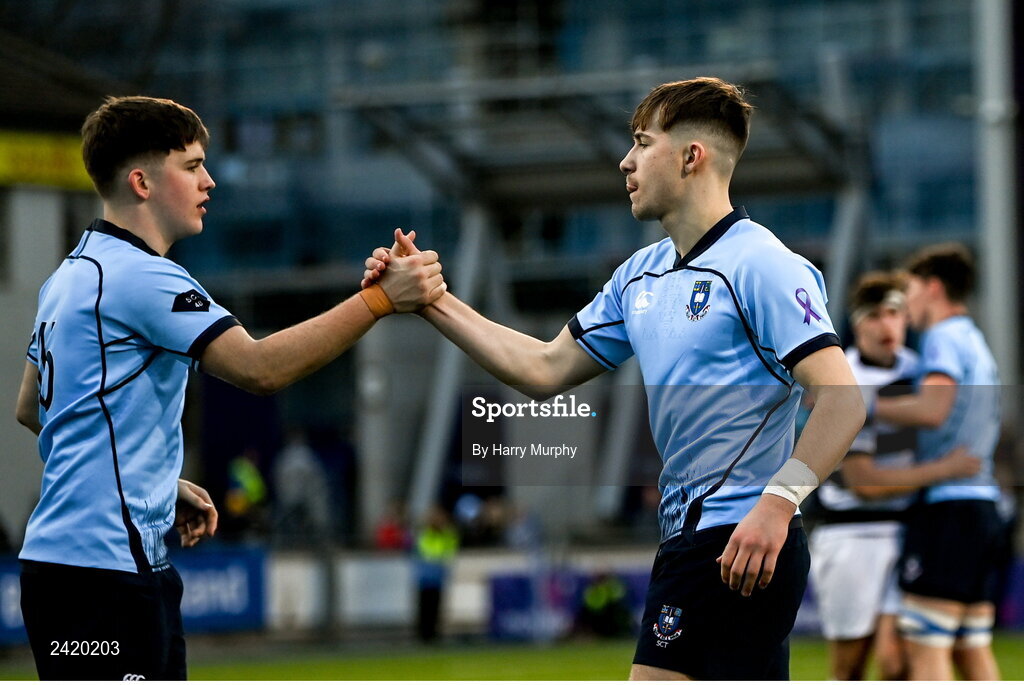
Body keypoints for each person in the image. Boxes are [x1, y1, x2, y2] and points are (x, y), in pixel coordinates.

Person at [364, 77, 865, 680]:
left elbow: (841, 398)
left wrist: (776, 506)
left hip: (737, 537)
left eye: (642, 143)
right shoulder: (639, 276)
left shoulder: (763, 265)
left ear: (691, 157)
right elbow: (543, 368)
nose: (625, 161)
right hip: (693, 540)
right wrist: (431, 300)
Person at [13, 95, 445, 680]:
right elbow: (259, 368)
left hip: (74, 568)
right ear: (142, 181)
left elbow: (32, 406)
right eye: (191, 166)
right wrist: (378, 300)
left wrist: (155, 479)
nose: (209, 181)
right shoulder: (142, 276)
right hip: (105, 575)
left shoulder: (64, 279)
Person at [809, 271, 980, 680]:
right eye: (874, 316)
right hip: (851, 536)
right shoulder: (842, 380)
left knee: (898, 661)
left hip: (909, 531)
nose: (887, 325)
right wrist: (945, 470)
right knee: (849, 667)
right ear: (856, 323)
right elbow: (865, 483)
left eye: (894, 313)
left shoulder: (922, 372)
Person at [873, 244, 1003, 680]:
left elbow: (932, 409)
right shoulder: (975, 339)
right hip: (983, 507)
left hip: (950, 510)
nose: (904, 301)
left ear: (932, 287)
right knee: (972, 650)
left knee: (925, 652)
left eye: (908, 288)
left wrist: (858, 401)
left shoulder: (943, 337)